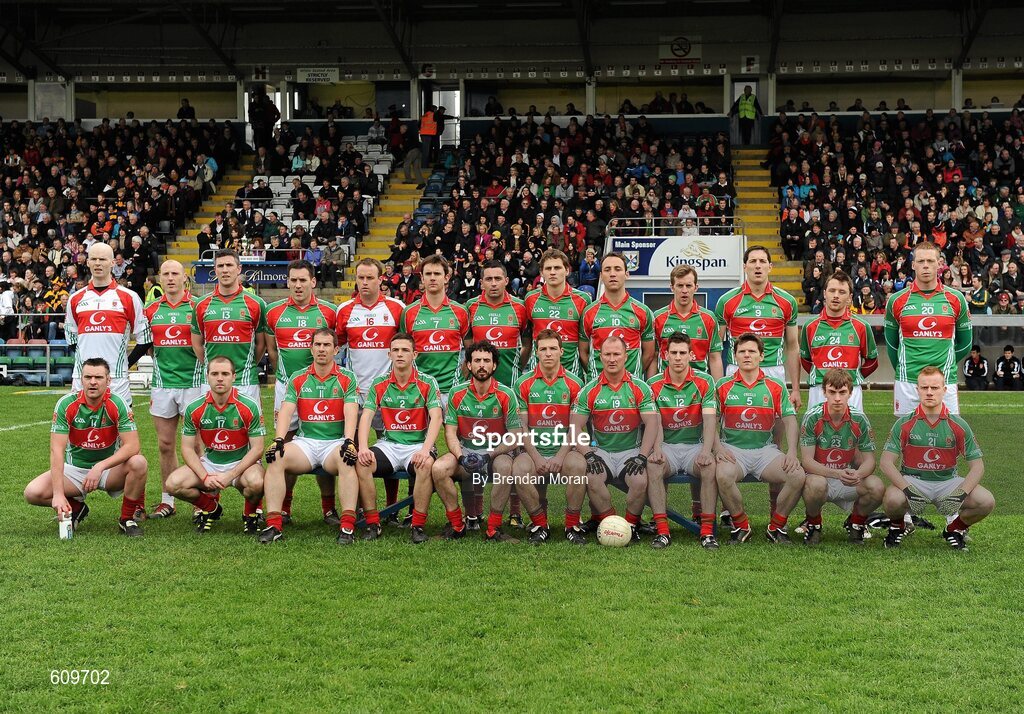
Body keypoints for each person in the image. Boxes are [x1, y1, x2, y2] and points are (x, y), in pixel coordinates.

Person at [24, 357, 149, 537]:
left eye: (98, 377)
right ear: (80, 379)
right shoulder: (66, 404)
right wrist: (58, 494)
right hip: (75, 471)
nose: (92, 382)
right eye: (88, 377)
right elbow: (56, 451)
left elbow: (133, 445)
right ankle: (76, 507)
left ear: (108, 380)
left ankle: (126, 519)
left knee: (139, 462)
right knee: (32, 492)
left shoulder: (117, 403)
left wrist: (100, 467)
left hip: (108, 470)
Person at [259, 329, 361, 544]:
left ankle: (347, 527)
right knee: (276, 457)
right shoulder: (298, 377)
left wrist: (349, 441)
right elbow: (286, 410)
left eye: (326, 345)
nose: (321, 349)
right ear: (311, 348)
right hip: (306, 443)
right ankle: (274, 524)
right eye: (317, 345)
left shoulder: (347, 377)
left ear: (336, 349)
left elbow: (350, 410)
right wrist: (279, 439)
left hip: (333, 443)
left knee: (347, 460)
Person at [880, 366, 995, 551]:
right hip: (914, 480)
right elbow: (886, 463)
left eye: (934, 388)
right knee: (892, 498)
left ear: (944, 390)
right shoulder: (904, 424)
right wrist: (908, 490)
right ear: (917, 390)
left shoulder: (958, 425)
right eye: (924, 388)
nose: (929, 392)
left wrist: (960, 494)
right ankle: (897, 527)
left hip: (947, 482)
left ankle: (954, 529)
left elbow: (978, 466)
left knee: (986, 501)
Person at [264, 260, 339, 525]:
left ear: (313, 282)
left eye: (302, 280)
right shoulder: (273, 312)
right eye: (293, 280)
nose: (298, 285)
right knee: (282, 445)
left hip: (323, 389)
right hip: (288, 387)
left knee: (326, 442)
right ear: (287, 282)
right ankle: (284, 508)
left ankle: (328, 508)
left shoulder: (330, 311)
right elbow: (272, 351)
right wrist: (287, 379)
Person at [714, 333, 806, 544]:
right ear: (734, 356)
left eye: (752, 351)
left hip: (765, 451)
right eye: (742, 352)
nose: (747, 355)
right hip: (733, 450)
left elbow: (790, 420)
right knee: (723, 474)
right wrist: (718, 447)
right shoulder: (722, 386)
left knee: (797, 475)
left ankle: (776, 527)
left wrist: (791, 452)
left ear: (762, 356)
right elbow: (712, 422)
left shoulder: (775, 386)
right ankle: (741, 525)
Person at [571, 336, 660, 544]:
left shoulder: (640, 387)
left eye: (617, 354)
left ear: (626, 357)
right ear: (600, 357)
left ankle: (630, 525)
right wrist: (588, 455)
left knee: (639, 481)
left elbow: (652, 424)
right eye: (607, 354)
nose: (612, 359)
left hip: (631, 449)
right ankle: (610, 523)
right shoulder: (590, 389)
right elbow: (574, 426)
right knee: (592, 478)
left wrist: (642, 456)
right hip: (600, 450)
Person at [430, 341, 523, 541]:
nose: (482, 365)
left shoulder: (506, 394)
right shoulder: (457, 393)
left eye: (487, 361)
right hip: (467, 452)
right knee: (439, 468)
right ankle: (456, 525)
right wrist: (461, 457)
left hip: (496, 454)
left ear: (494, 365)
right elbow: (450, 433)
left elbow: (516, 435)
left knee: (505, 467)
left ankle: (493, 528)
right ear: (469, 365)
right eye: (477, 360)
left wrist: (488, 455)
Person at [355, 334, 443, 544]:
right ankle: (373, 522)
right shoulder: (380, 383)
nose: (400, 354)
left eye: (405, 350)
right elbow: (366, 415)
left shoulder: (427, 382)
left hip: (418, 444)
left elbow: (437, 417)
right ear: (389, 354)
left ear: (415, 354)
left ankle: (418, 524)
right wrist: (363, 446)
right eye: (395, 350)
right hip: (389, 445)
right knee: (362, 462)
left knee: (425, 466)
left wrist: (425, 450)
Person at [336, 258, 407, 517]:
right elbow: (338, 348)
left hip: (388, 393)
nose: (364, 283)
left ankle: (392, 506)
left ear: (381, 279)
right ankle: (353, 504)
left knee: (391, 446)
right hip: (356, 394)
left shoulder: (397, 309)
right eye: (361, 278)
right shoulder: (344, 310)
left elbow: (406, 347)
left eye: (370, 278)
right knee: (352, 448)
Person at [165, 357, 266, 534]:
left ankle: (250, 514)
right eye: (215, 374)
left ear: (234, 377)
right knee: (173, 484)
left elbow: (258, 449)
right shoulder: (194, 407)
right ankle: (211, 507)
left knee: (257, 483)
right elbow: (187, 448)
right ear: (207, 377)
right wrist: (204, 477)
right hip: (210, 463)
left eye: (225, 374)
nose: (220, 378)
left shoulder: (249, 405)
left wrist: (231, 475)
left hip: (241, 464)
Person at [513, 329, 588, 544]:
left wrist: (559, 456)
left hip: (564, 450)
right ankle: (539, 523)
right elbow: (522, 428)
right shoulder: (523, 383)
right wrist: (536, 457)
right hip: (533, 450)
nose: (548, 353)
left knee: (578, 466)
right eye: (543, 349)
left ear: (561, 352)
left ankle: (572, 524)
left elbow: (575, 427)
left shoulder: (575, 384)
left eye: (553, 349)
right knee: (518, 469)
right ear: (536, 352)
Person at [143, 260, 205, 519]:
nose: (170, 278)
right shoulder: (151, 310)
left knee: (196, 446)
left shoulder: (197, 308)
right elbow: (148, 345)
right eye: (165, 274)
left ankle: (200, 501)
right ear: (160, 278)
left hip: (192, 384)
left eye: (175, 274)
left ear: (184, 279)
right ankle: (168, 499)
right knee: (165, 444)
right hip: (162, 385)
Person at [647, 333, 719, 549]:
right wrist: (657, 448)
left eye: (682, 353)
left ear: (691, 355)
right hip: (668, 446)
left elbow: (709, 420)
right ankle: (662, 531)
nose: (678, 358)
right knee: (653, 466)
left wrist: (706, 451)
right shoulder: (653, 384)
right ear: (665, 355)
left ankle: (706, 532)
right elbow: (655, 422)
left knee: (709, 467)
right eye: (674, 353)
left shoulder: (704, 381)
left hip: (694, 446)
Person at [884, 242, 972, 416]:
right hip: (908, 382)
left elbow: (966, 343)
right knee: (907, 438)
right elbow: (891, 344)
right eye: (921, 261)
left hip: (944, 381)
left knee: (947, 438)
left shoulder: (956, 298)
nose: (926, 265)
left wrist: (944, 368)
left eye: (931, 261)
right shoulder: (896, 300)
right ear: (913, 264)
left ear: (939, 264)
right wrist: (904, 370)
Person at [798, 368, 884, 546]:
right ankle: (814, 525)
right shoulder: (812, 417)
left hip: (848, 478)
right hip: (820, 477)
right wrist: (837, 474)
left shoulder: (859, 418)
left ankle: (856, 524)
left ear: (850, 393)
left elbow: (870, 460)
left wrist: (858, 474)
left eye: (842, 392)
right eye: (832, 392)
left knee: (876, 486)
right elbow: (806, 461)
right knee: (815, 484)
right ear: (824, 392)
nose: (837, 398)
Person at [66, 243, 153, 406]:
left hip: (116, 379)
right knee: (81, 430)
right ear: (88, 262)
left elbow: (145, 337)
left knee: (120, 430)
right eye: (94, 259)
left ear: (113, 262)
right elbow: (71, 338)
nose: (98, 263)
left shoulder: (129, 297)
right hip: (81, 379)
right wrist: (86, 366)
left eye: (103, 259)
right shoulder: (75, 298)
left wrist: (126, 363)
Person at [191, 249, 267, 404]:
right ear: (215, 270)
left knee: (247, 428)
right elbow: (197, 343)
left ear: (239, 269)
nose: (225, 270)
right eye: (220, 266)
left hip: (245, 382)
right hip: (211, 382)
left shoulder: (256, 303)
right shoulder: (201, 304)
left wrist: (248, 365)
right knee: (209, 428)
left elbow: (261, 344)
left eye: (229, 265)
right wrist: (213, 368)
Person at [799, 270, 878, 411]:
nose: (836, 296)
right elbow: (805, 359)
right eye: (832, 291)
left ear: (850, 297)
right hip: (819, 390)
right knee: (817, 431)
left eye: (842, 292)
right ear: (824, 294)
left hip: (850, 390)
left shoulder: (861, 326)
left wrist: (854, 377)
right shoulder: (810, 326)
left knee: (852, 432)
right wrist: (820, 377)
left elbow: (872, 361)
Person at [398, 255, 470, 410]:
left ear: (446, 277)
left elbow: (470, 351)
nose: (432, 278)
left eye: (437, 274)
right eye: (428, 274)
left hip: (452, 389)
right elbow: (402, 352)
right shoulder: (409, 312)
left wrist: (461, 379)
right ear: (422, 278)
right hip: (419, 389)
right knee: (418, 435)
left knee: (457, 435)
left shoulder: (460, 311)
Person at [579, 252, 655, 380]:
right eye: (607, 270)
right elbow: (583, 353)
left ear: (627, 274)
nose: (612, 274)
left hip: (631, 388)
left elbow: (648, 354)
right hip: (598, 388)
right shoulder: (589, 312)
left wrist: (632, 375)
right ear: (601, 276)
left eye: (618, 269)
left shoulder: (643, 311)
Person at [523, 248, 592, 378]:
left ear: (567, 271)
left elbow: (586, 344)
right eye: (548, 269)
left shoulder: (583, 300)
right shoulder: (530, 298)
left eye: (557, 268)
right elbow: (526, 341)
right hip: (538, 374)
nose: (553, 272)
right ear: (541, 272)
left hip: (572, 373)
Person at [650, 265, 724, 384]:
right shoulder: (658, 317)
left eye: (688, 285)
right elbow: (654, 356)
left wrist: (717, 391)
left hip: (699, 387)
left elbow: (715, 358)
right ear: (672, 288)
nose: (684, 290)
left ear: (696, 288)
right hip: (666, 388)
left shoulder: (708, 318)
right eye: (680, 285)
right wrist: (651, 388)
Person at [466, 261, 529, 387]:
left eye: (498, 279)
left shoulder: (520, 307)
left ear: (506, 281)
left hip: (510, 384)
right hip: (479, 384)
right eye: (489, 279)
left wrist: (517, 368)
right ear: (482, 283)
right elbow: (468, 347)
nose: (493, 284)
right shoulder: (470, 306)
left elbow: (527, 345)